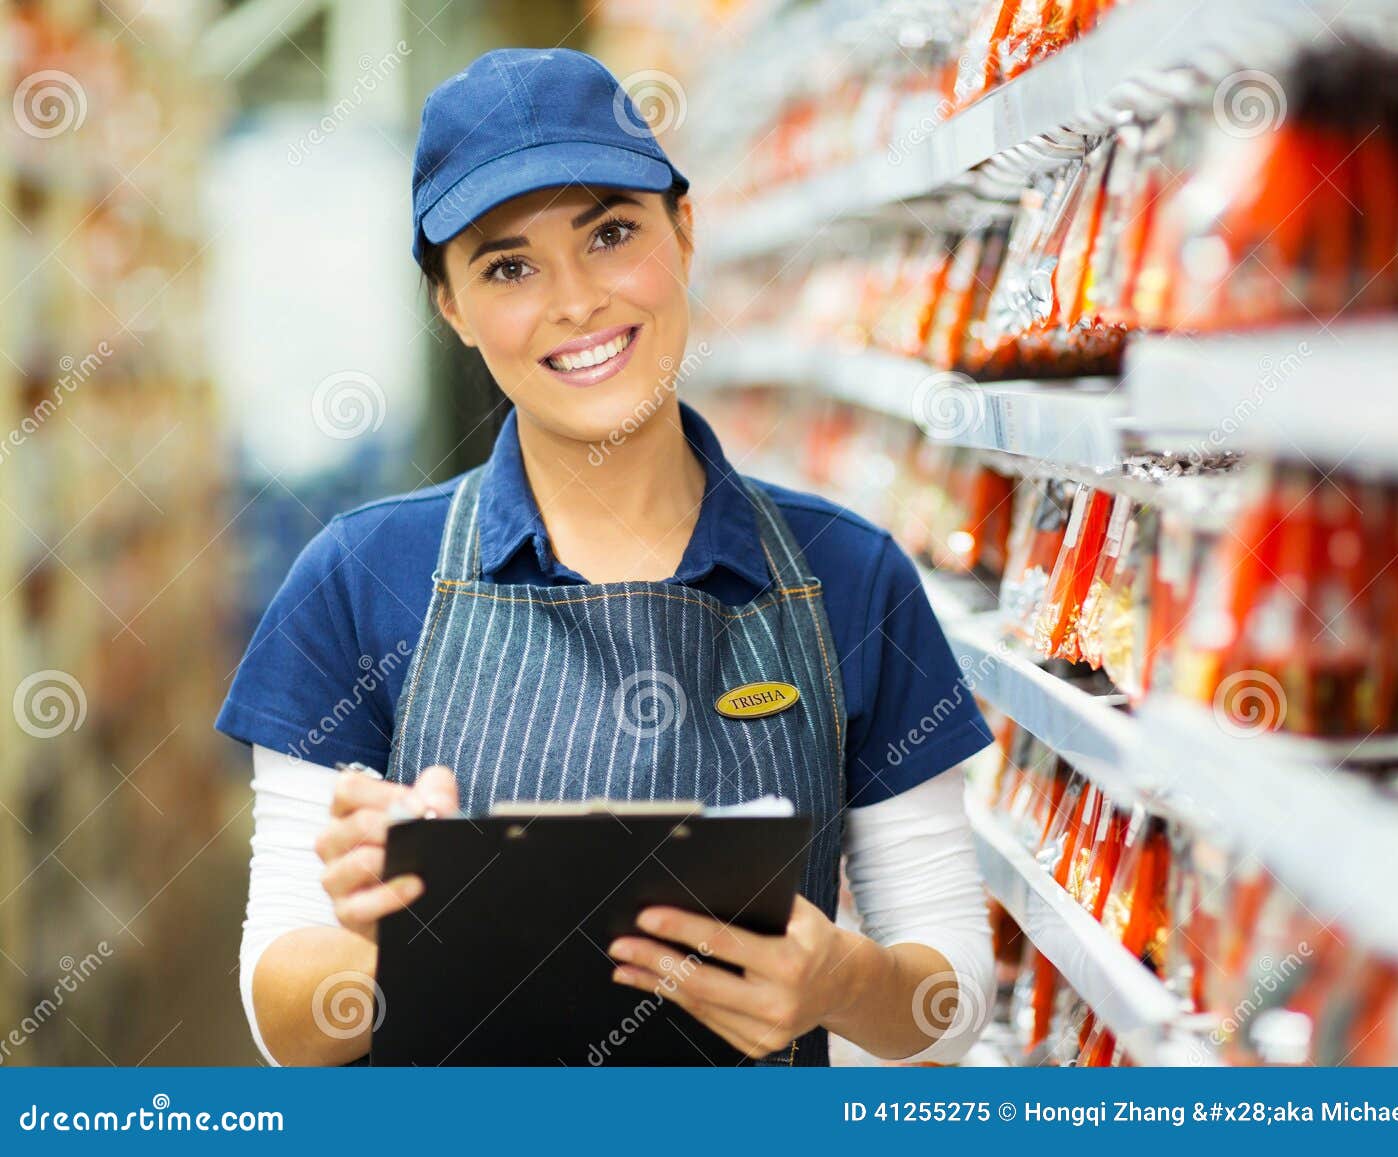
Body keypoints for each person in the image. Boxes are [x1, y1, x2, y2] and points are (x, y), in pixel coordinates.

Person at [217, 47, 997, 1067]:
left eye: (611, 234)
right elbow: (279, 1015)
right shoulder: (357, 578)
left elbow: (949, 998)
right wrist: (394, 944)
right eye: (508, 267)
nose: (576, 300)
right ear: (450, 306)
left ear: (685, 231)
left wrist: (843, 982)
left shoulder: (849, 576)